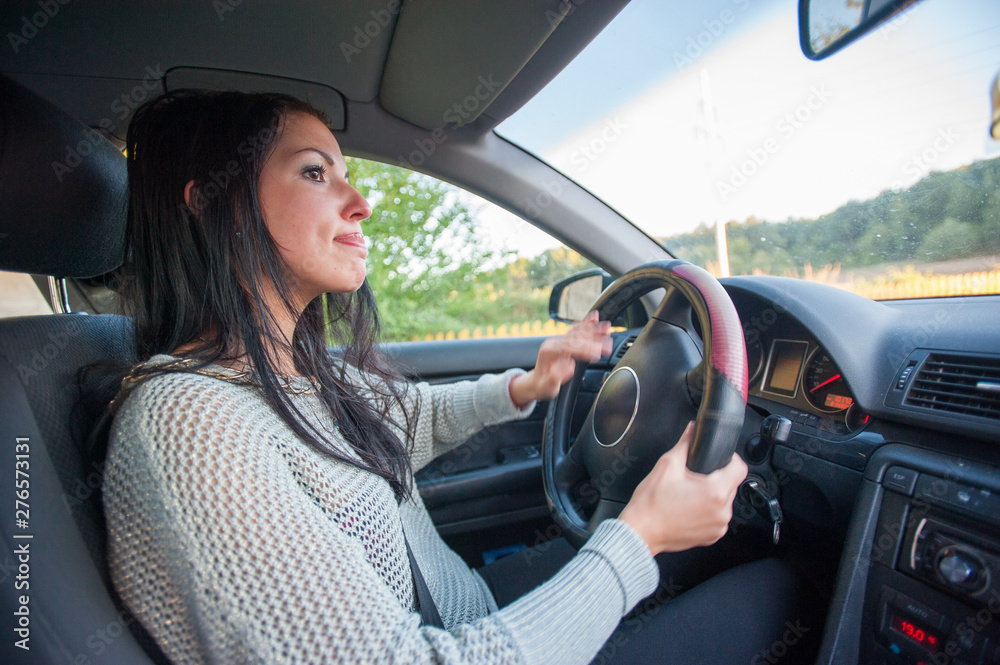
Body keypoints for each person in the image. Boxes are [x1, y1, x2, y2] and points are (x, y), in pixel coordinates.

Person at [102, 90, 816, 665]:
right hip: (460, 641)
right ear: (211, 204)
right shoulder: (189, 423)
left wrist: (527, 386)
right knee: (779, 592)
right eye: (315, 172)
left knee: (706, 562)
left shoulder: (286, 376)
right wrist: (639, 538)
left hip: (468, 609)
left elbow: (402, 420)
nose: (361, 203)